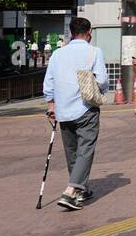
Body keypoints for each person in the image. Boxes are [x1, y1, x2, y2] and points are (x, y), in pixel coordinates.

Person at [42, 17, 107, 211]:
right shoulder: (94, 52)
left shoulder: (57, 54)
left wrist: (51, 106)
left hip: (62, 110)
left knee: (72, 151)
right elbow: (102, 80)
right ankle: (70, 191)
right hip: (85, 107)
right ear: (89, 32)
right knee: (85, 150)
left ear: (71, 32)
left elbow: (48, 83)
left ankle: (82, 190)